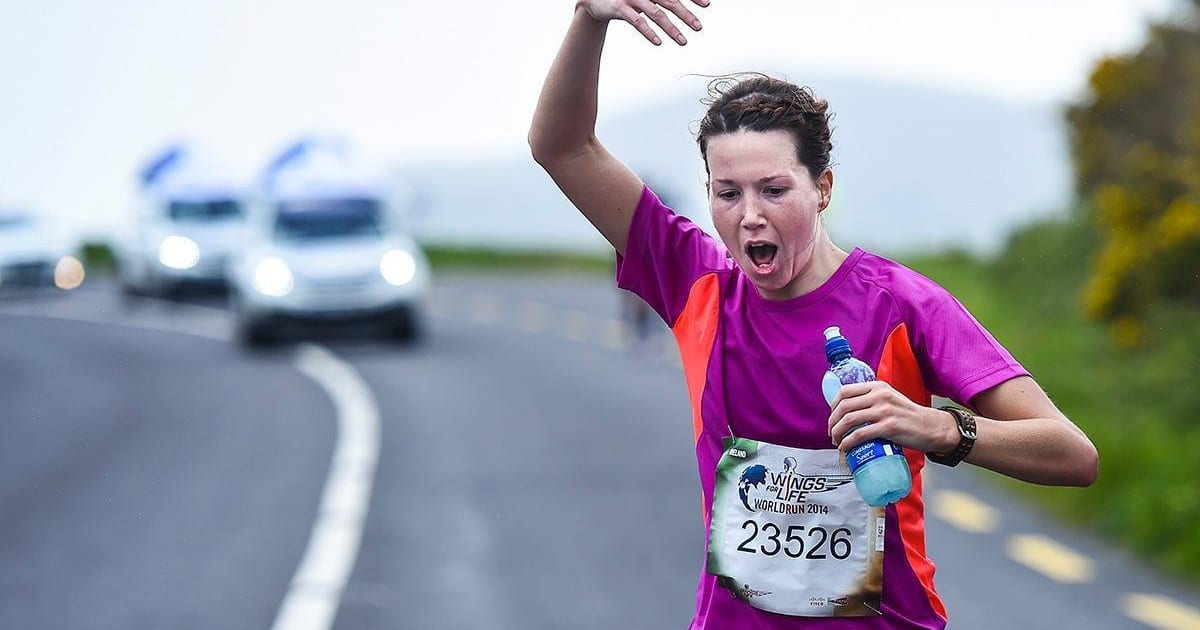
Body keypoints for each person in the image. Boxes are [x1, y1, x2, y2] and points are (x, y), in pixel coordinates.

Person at [528, 2, 1099, 629]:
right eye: (728, 193)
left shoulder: (904, 305)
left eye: (774, 190)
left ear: (821, 188)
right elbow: (561, 146)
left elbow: (1073, 455)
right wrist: (588, 18)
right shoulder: (696, 285)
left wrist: (939, 429)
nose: (749, 215)